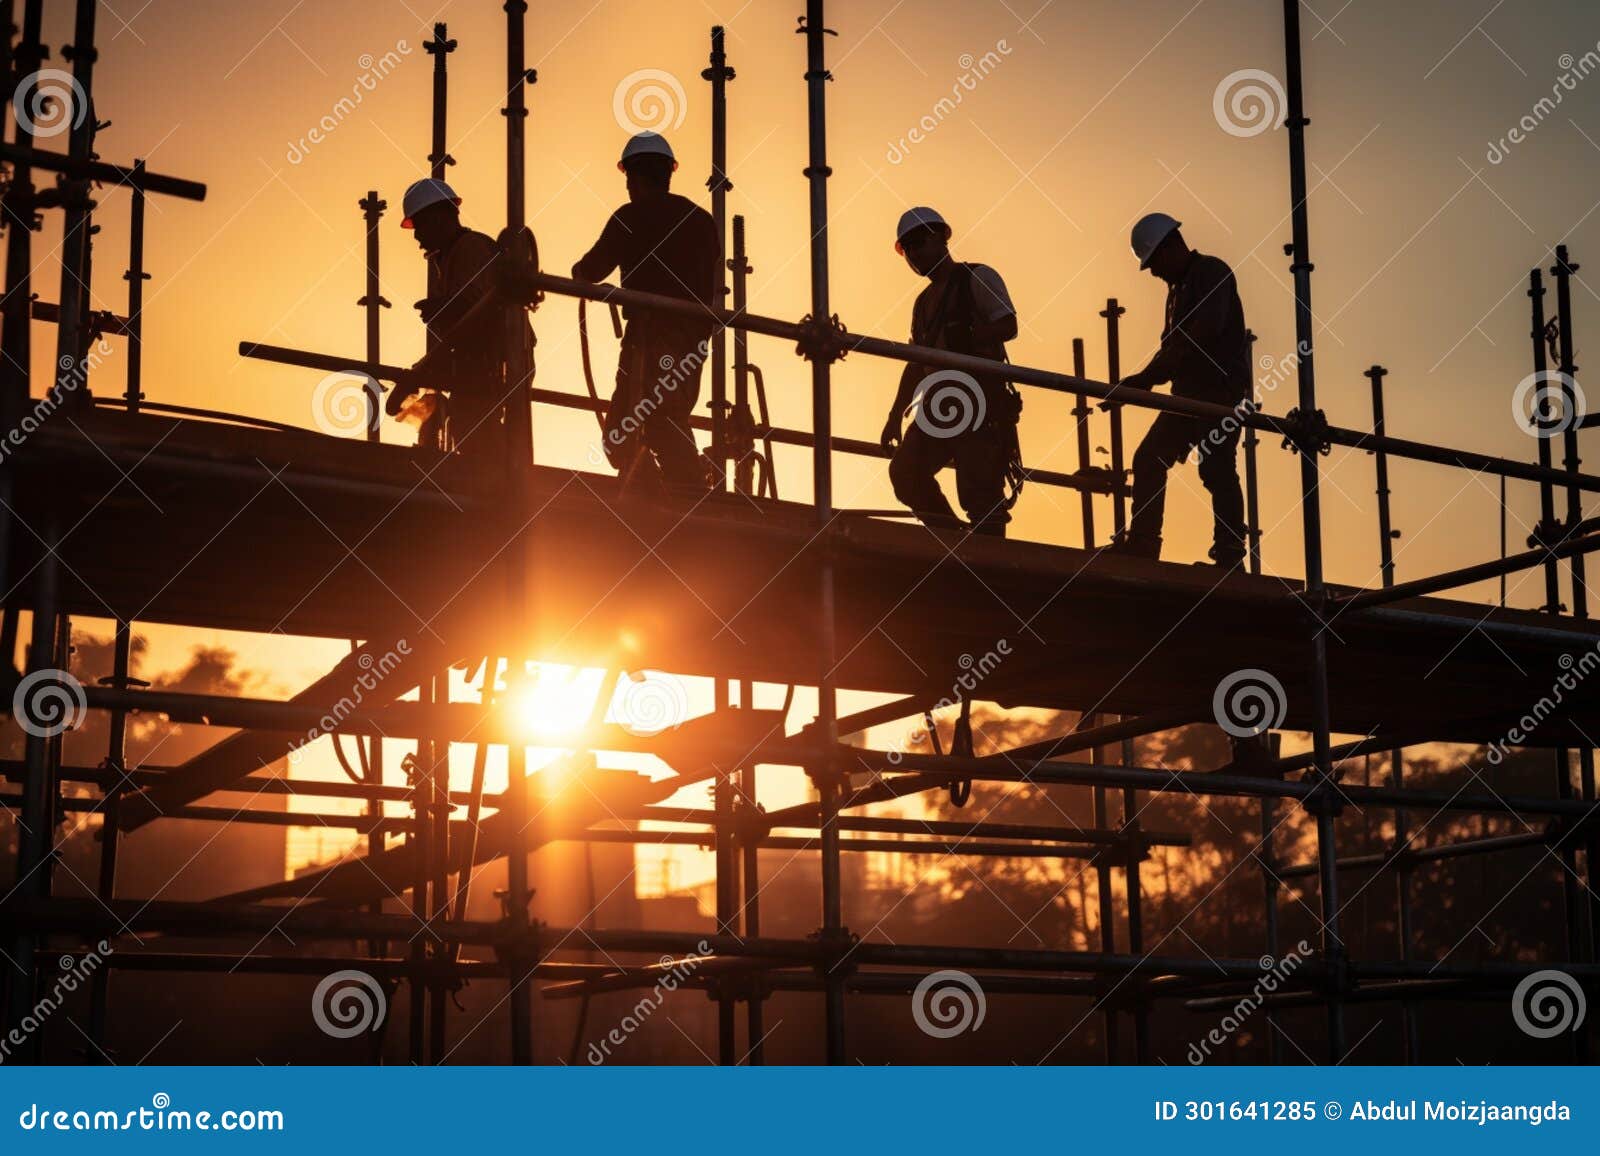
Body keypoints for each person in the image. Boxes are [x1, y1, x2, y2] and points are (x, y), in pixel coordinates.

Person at [572, 131, 718, 490]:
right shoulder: (700, 220)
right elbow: (712, 285)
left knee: (636, 427)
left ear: (634, 177)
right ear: (667, 173)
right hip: (694, 339)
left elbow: (589, 270)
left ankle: (678, 493)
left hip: (650, 337)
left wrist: (581, 277)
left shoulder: (632, 216)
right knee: (665, 415)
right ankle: (667, 488)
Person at [1112, 213, 1250, 568]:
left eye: (1154, 263)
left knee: (1217, 468)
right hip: (1188, 396)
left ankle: (1231, 556)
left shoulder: (1211, 273)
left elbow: (1202, 334)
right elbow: (1173, 346)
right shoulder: (1178, 289)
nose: (1154, 273)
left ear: (1171, 247)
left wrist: (1148, 377)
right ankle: (1143, 543)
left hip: (1219, 394)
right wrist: (1145, 378)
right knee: (1149, 458)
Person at [880, 206, 1023, 537]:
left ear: (940, 239)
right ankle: (953, 542)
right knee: (906, 472)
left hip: (980, 402)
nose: (914, 254)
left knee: (980, 495)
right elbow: (916, 362)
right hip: (941, 405)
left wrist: (967, 339)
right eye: (908, 249)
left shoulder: (976, 278)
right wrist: (894, 415)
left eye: (919, 243)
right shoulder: (923, 303)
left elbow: (1008, 323)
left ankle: (991, 568)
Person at [386, 177, 520, 464]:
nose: (416, 236)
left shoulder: (470, 249)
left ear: (438, 218)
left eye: (419, 225)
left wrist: (442, 310)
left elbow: (474, 317)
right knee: (468, 426)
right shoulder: (448, 259)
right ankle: (494, 488)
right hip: (485, 364)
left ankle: (496, 493)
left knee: (476, 429)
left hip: (496, 363)